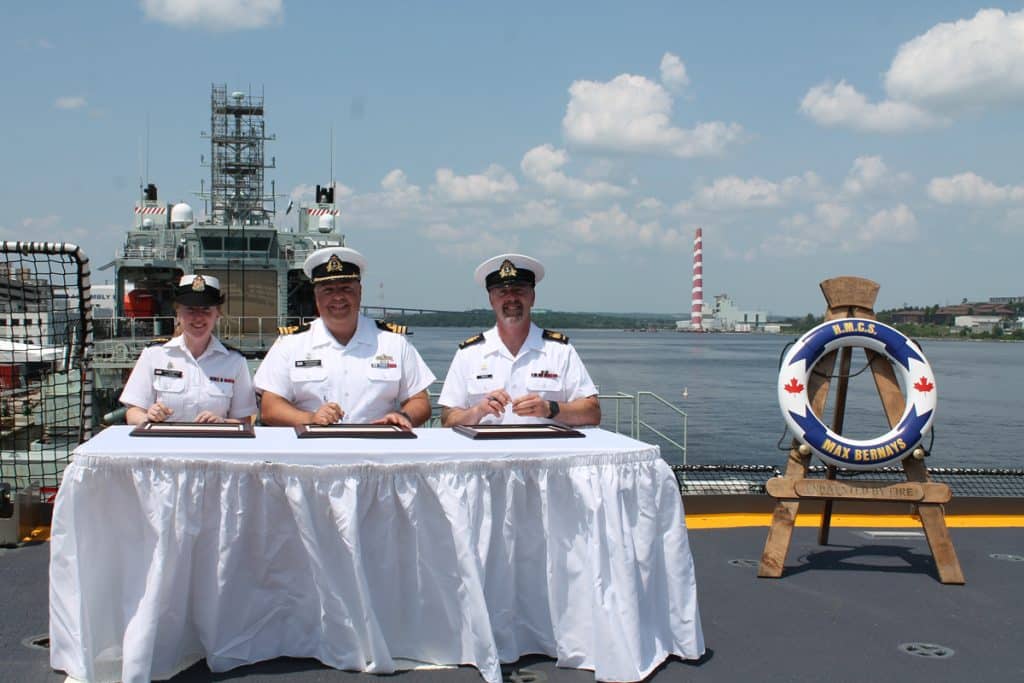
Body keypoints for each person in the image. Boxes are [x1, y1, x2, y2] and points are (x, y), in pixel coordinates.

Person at [253, 246, 435, 429]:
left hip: (378, 448)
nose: (338, 297)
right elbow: (270, 407)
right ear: (316, 296)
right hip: (312, 450)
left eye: (346, 289)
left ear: (360, 292)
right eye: (328, 290)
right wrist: (311, 418)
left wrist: (403, 416)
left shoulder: (393, 342)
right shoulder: (290, 344)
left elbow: (420, 401)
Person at [439, 253, 601, 426]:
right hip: (487, 451)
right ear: (491, 300)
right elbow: (448, 419)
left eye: (519, 290)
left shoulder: (559, 350)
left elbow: (592, 412)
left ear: (532, 297)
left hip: (545, 451)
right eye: (502, 292)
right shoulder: (469, 354)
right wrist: (478, 411)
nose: (511, 298)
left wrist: (550, 409)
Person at [120, 274, 257, 425]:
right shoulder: (154, 355)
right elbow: (133, 413)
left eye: (206, 309)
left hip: (214, 446)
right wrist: (148, 417)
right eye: (190, 309)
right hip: (164, 445)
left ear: (217, 314)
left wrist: (222, 423)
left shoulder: (234, 361)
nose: (198, 317)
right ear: (178, 313)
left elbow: (244, 421)